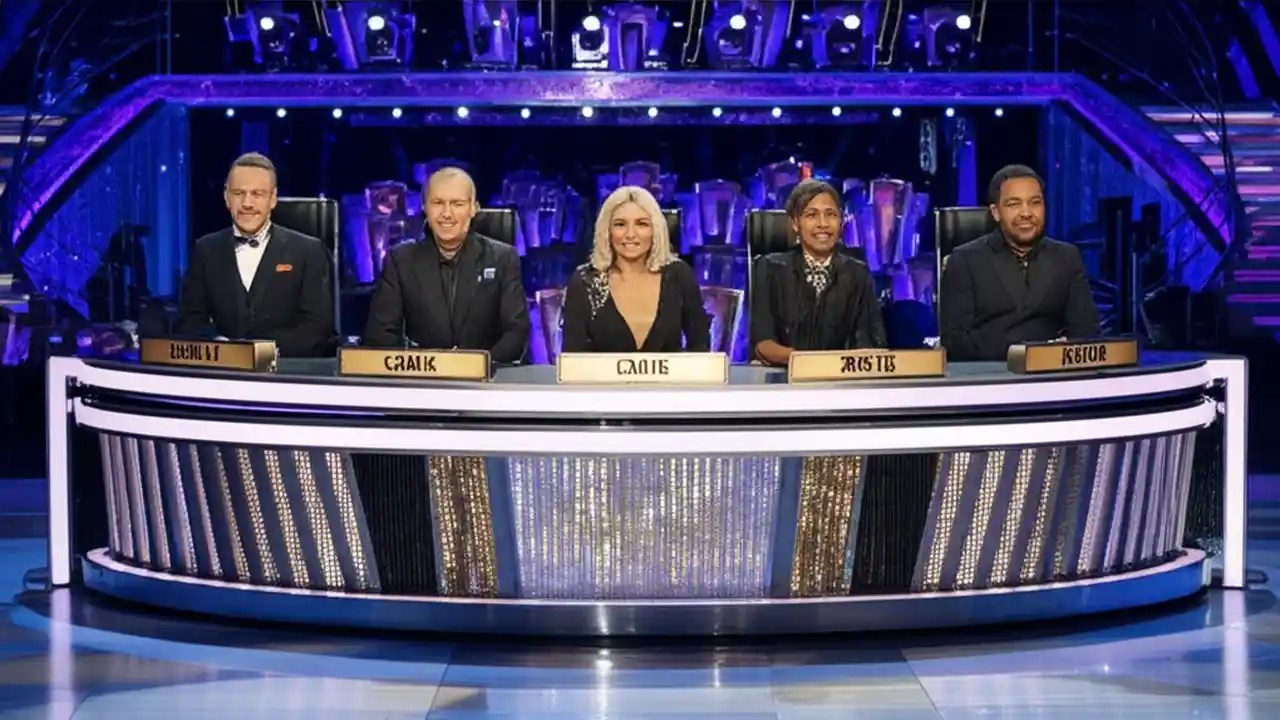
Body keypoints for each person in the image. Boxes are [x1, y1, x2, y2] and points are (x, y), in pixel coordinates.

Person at [362, 167, 530, 362]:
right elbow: (380, 335)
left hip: (488, 376)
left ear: (473, 208)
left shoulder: (503, 258)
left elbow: (516, 332)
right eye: (438, 203)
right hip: (421, 376)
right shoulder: (400, 261)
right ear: (425, 207)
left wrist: (479, 366)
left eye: (457, 204)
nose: (447, 213)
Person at [175, 152, 334, 357]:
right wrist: (220, 347)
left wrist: (261, 352)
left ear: (272, 199)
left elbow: (318, 328)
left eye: (257, 194)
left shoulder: (308, 251)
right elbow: (188, 322)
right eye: (238, 193)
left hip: (285, 371)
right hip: (222, 370)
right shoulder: (205, 250)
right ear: (226, 197)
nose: (247, 203)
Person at [940, 165, 1100, 361]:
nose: (1026, 213)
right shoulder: (965, 261)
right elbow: (955, 343)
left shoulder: (1066, 257)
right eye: (1014, 204)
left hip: (1053, 373)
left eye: (1035, 203)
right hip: (992, 374)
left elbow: (1086, 330)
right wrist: (1032, 349)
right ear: (996, 212)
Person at [749, 179, 886, 365]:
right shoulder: (768, 269)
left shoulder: (858, 274)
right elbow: (763, 344)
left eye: (831, 215)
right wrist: (811, 364)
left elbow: (869, 345)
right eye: (811, 215)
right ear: (795, 223)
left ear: (841, 221)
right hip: (784, 378)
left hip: (841, 379)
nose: (823, 224)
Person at [561, 186, 710, 353]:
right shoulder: (585, 281)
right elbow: (572, 358)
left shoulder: (679, 275)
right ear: (607, 231)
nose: (630, 234)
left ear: (655, 230)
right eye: (620, 224)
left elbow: (700, 347)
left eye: (642, 224)